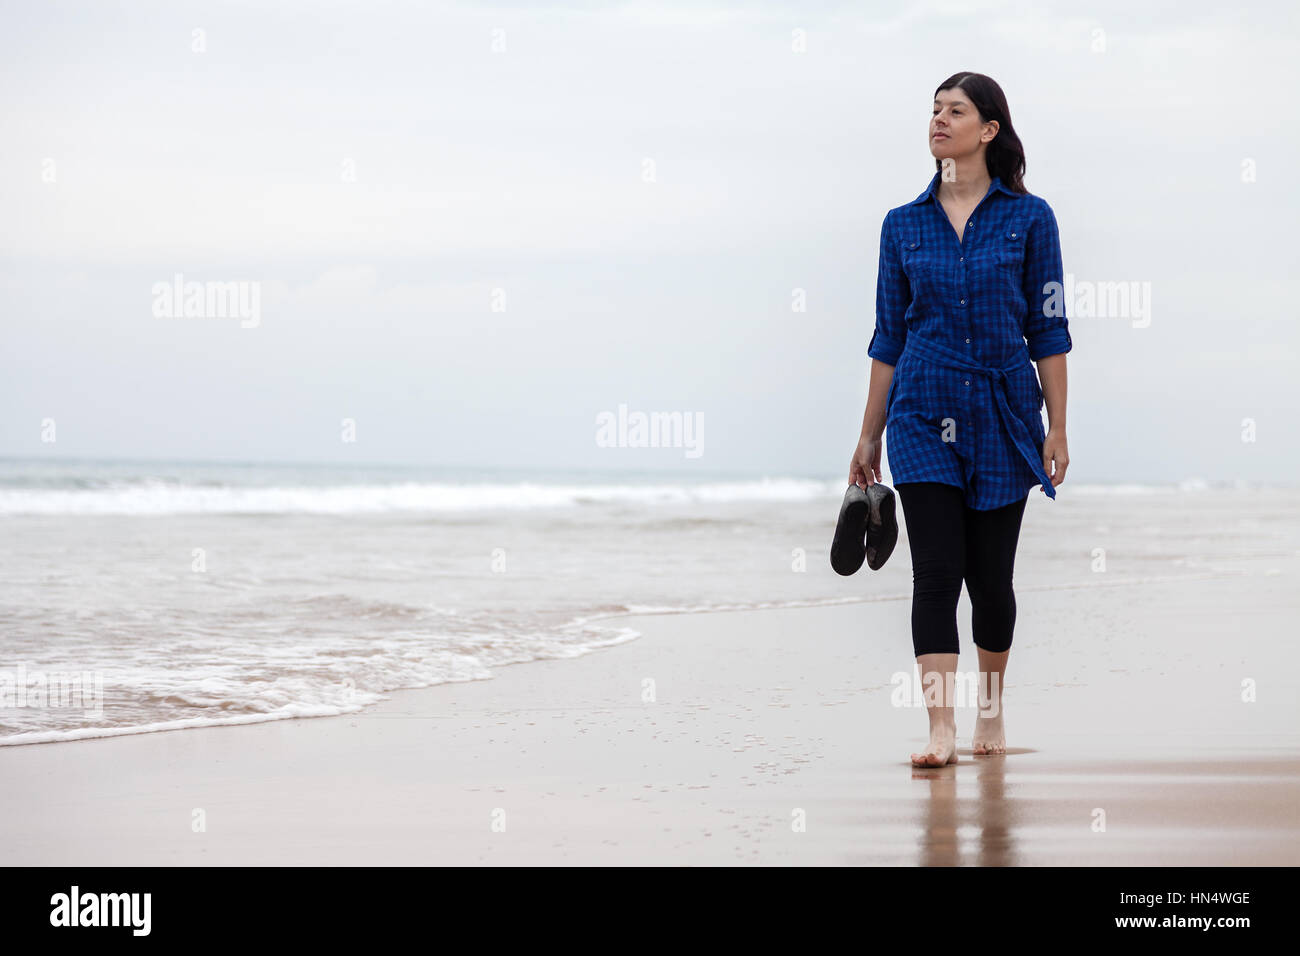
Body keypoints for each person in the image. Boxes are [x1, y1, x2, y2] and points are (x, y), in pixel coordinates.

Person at [849, 72, 1072, 768]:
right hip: (920, 412)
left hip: (1004, 413)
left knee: (992, 581)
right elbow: (889, 337)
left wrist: (1058, 427)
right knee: (936, 573)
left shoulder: (1031, 219)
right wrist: (868, 432)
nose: (940, 121)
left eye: (956, 111)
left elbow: (1050, 328)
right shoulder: (902, 225)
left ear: (989, 130)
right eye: (935, 111)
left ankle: (992, 712)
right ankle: (941, 729)